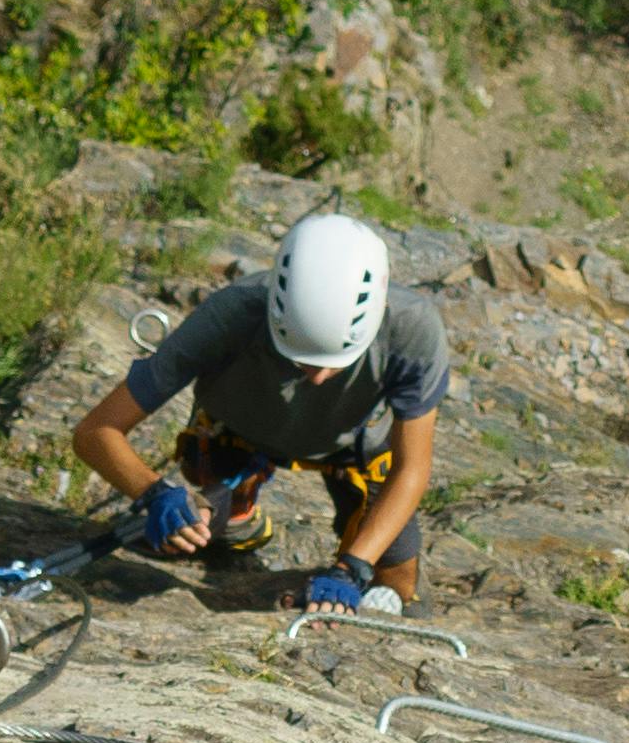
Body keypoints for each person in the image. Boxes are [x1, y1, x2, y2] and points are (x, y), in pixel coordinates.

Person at [76, 208, 448, 618]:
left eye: (336, 361)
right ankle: (236, 514)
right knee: (185, 533)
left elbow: (411, 469)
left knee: (397, 582)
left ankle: (374, 571)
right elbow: (96, 431)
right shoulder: (231, 314)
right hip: (239, 433)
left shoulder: (413, 330)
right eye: (303, 360)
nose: (320, 378)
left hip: (353, 449)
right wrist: (155, 493)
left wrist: (353, 567)